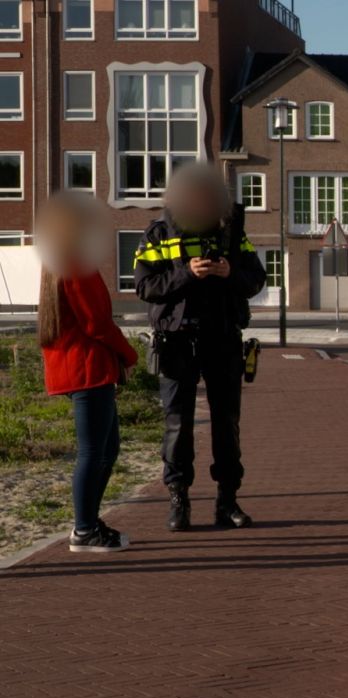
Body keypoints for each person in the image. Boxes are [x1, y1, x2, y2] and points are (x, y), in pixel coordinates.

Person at [135, 164, 266, 532]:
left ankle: (227, 501)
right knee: (178, 424)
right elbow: (145, 286)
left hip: (222, 338)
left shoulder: (231, 232)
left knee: (227, 423)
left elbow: (256, 279)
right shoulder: (160, 233)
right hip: (176, 341)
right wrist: (186, 273)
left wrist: (230, 275)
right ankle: (179, 500)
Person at [36, 193, 138, 552]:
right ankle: (84, 528)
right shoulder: (75, 263)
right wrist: (128, 354)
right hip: (88, 368)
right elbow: (96, 322)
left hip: (82, 367)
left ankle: (89, 521)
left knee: (106, 449)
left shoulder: (59, 262)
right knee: (95, 452)